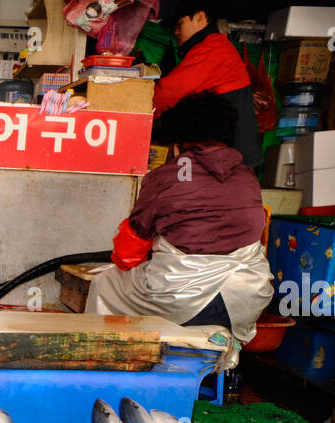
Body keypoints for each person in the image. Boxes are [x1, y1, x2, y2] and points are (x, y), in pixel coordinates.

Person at [87, 91, 272, 345]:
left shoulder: (166, 176)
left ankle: (103, 359)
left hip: (180, 299)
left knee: (104, 285)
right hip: (246, 298)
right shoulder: (247, 177)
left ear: (179, 142)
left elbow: (128, 253)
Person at [153, 1, 261, 167]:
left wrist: (134, 106)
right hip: (230, 160)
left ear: (200, 18)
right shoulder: (214, 46)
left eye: (179, 24)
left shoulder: (213, 49)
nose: (175, 32)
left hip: (231, 162)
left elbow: (165, 94)